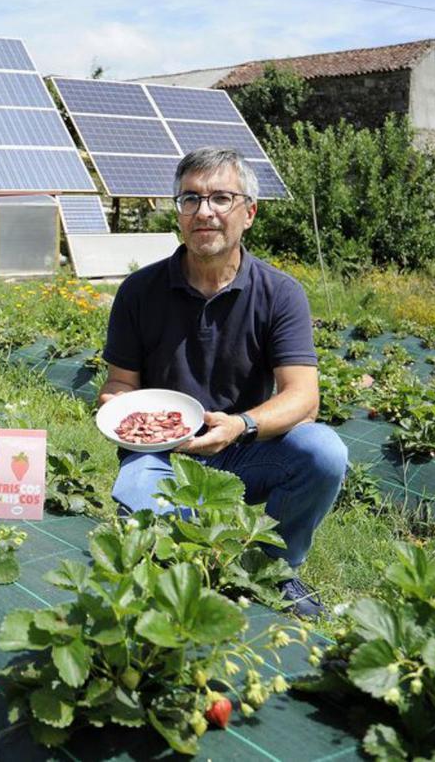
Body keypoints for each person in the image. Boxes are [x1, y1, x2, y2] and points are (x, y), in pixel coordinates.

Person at [98, 146, 346, 618]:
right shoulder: (139, 291)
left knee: (324, 452)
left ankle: (276, 568)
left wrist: (240, 426)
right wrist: (117, 406)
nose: (203, 211)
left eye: (221, 198)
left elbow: (303, 397)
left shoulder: (280, 293)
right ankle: (184, 576)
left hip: (244, 449)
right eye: (190, 199)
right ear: (179, 213)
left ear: (249, 213)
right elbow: (120, 383)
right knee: (152, 537)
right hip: (161, 455)